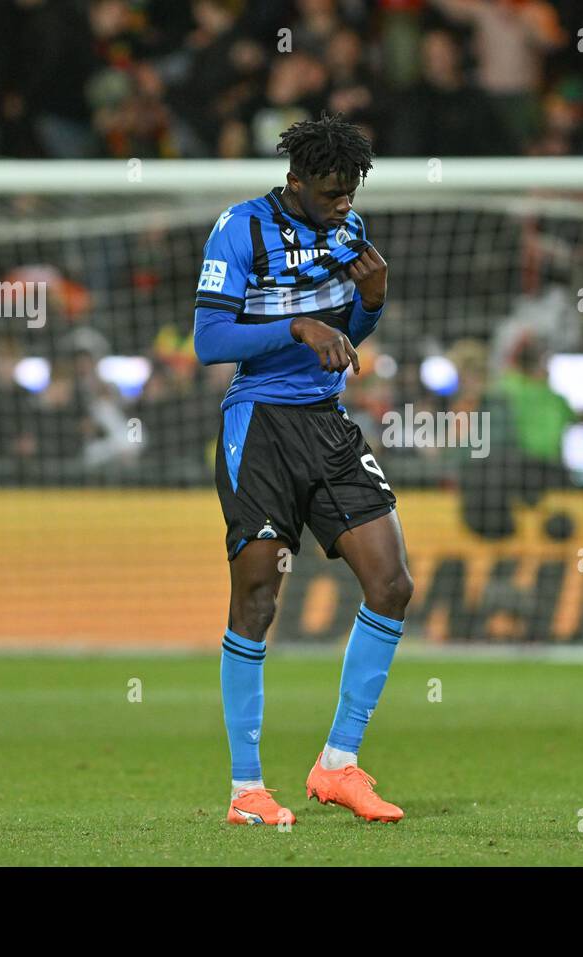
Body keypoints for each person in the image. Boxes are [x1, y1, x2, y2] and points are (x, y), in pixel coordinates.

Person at [193, 113, 412, 826]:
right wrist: (295, 325)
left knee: (392, 582)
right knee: (257, 597)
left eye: (351, 189)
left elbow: (344, 340)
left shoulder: (351, 232)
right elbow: (208, 337)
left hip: (326, 422)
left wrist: (370, 304)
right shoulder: (241, 228)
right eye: (330, 191)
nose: (344, 202)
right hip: (258, 425)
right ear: (295, 183)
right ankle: (246, 787)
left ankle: (338, 764)